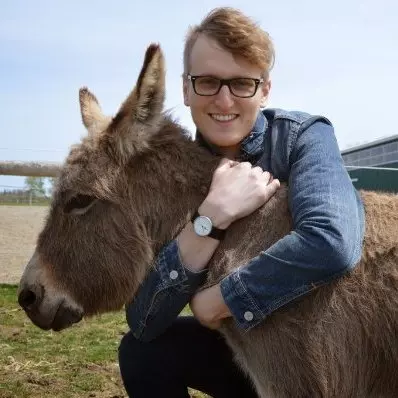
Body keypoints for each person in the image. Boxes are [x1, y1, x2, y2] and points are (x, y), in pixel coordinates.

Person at [118, 7, 365, 398]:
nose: (224, 100)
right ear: (186, 88)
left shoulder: (303, 138)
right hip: (242, 348)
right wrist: (211, 215)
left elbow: (333, 241)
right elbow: (145, 320)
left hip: (317, 347)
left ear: (265, 89)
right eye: (208, 82)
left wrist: (219, 301)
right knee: (142, 351)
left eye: (242, 84)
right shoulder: (175, 173)